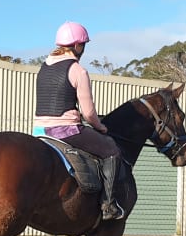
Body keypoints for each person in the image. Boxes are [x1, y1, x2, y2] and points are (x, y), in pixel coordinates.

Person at [33, 21, 124, 220]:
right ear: (77, 45)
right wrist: (100, 127)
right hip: (65, 131)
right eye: (83, 45)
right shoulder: (77, 70)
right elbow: (89, 113)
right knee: (111, 150)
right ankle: (108, 206)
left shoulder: (43, 67)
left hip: (39, 130)